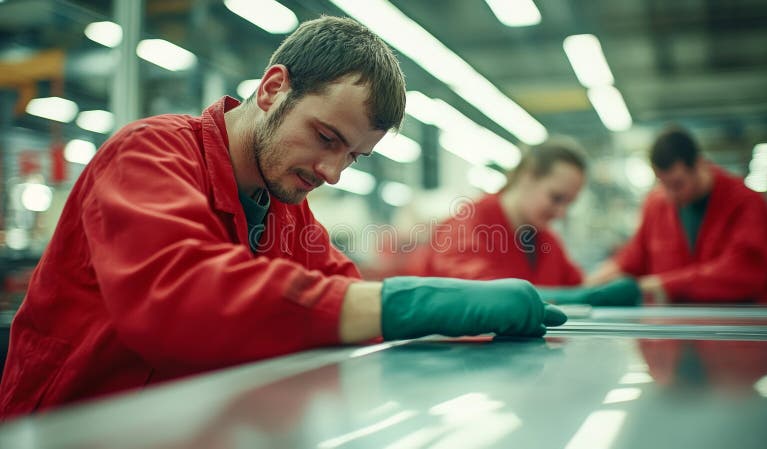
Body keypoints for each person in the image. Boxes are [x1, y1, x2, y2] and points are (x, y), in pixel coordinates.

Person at [0, 16, 566, 419]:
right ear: (274, 89)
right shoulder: (148, 154)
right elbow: (177, 297)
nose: (334, 171)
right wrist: (412, 302)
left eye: (353, 156)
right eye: (326, 137)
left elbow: (339, 293)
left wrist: (450, 307)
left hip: (181, 425)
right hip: (69, 429)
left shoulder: (285, 210)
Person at [585, 126, 767, 303]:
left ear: (699, 165)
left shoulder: (747, 202)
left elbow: (743, 272)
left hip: (747, 328)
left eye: (677, 184)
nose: (670, 195)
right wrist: (589, 284)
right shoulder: (657, 203)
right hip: (679, 326)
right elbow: (634, 258)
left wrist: (661, 284)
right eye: (663, 183)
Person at [408, 138, 586, 286]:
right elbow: (477, 290)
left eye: (569, 203)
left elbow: (579, 287)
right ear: (528, 175)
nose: (561, 213)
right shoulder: (466, 226)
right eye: (556, 198)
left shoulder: (546, 242)